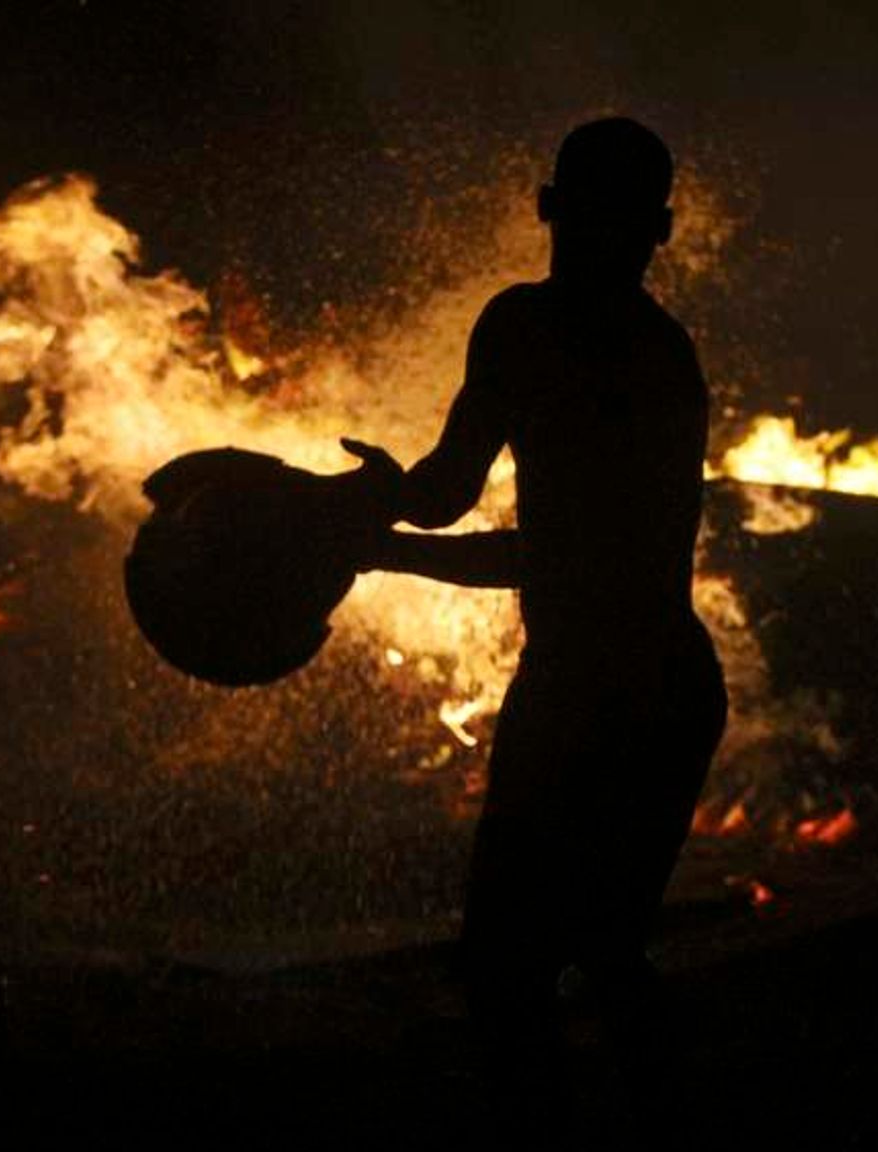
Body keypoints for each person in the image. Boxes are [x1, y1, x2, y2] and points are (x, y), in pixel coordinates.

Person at [341, 117, 727, 1131]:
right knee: (593, 960)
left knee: (522, 969)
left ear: (547, 207)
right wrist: (377, 501)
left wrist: (381, 543)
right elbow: (446, 488)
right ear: (664, 228)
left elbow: (544, 553)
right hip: (637, 688)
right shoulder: (602, 344)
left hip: (609, 692)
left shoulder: (582, 345)